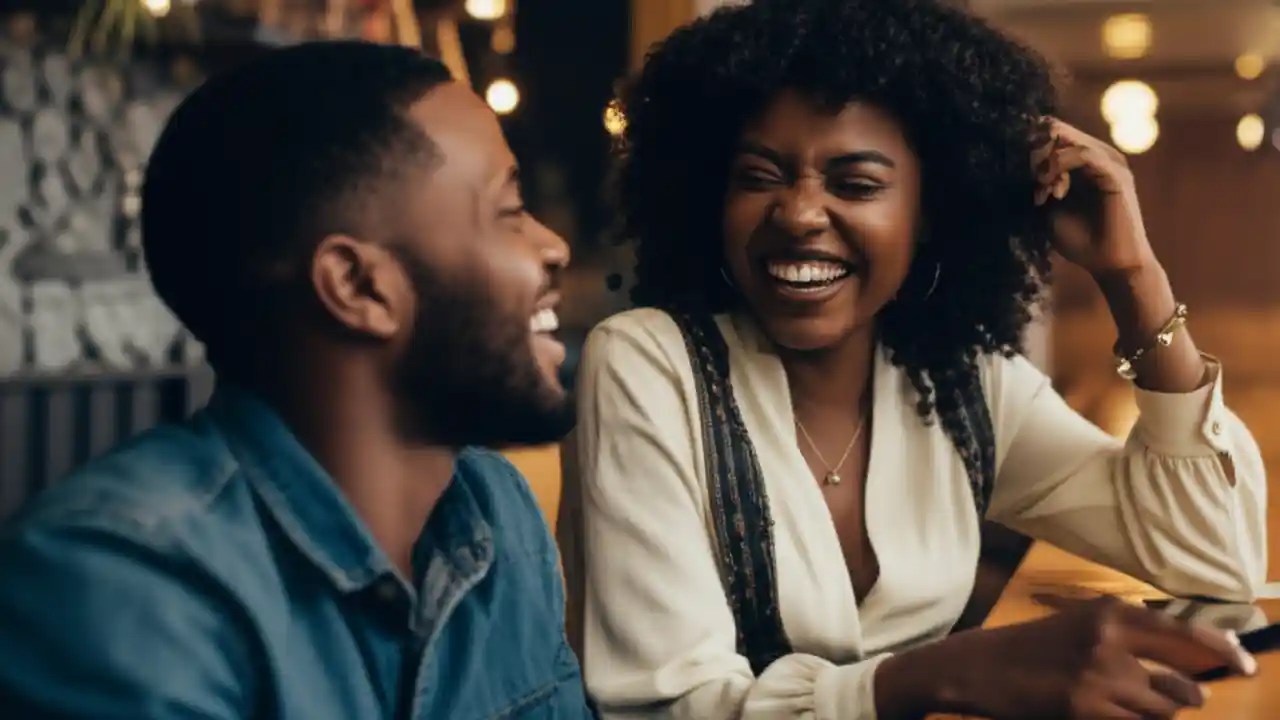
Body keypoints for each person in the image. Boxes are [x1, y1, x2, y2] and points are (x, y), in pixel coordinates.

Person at [566, 1, 1267, 718]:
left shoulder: (960, 384)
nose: (800, 213)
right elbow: (666, 705)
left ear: (930, 211)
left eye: (856, 184)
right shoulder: (648, 365)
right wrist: (936, 675)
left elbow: (1213, 558)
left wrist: (1133, 278)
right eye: (760, 176)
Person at [0, 42, 591, 719]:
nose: (554, 246)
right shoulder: (116, 584)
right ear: (359, 286)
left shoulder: (498, 513)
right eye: (509, 211)